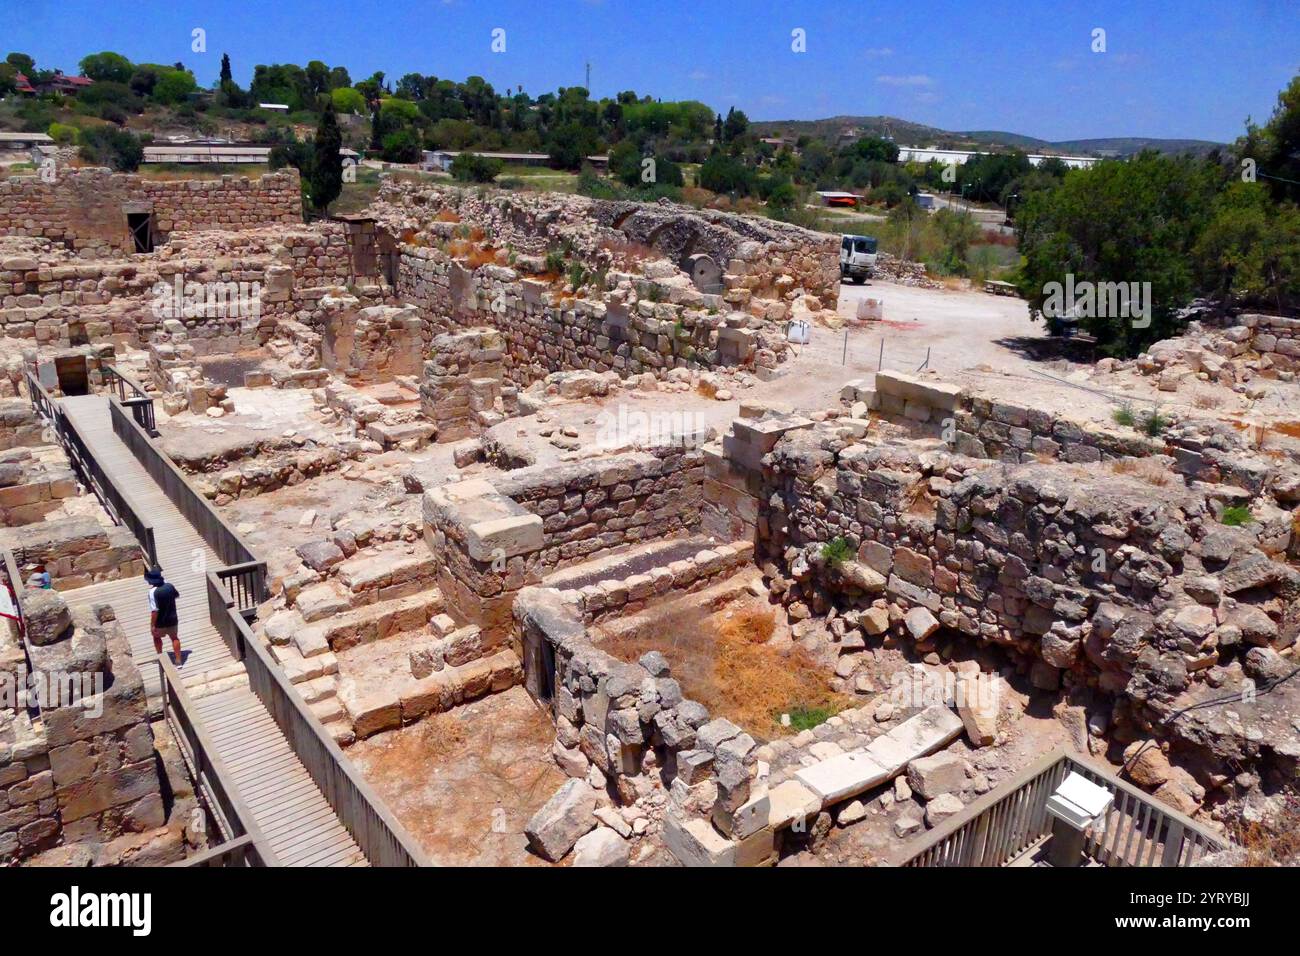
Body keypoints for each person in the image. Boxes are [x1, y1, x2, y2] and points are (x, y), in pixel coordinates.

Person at [145, 567, 183, 663]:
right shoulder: (169, 586)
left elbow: (155, 611)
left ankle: (160, 657)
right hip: (172, 619)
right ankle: (178, 660)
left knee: (156, 637)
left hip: (160, 622)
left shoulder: (152, 592)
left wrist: (152, 625)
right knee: (174, 638)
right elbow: (177, 595)